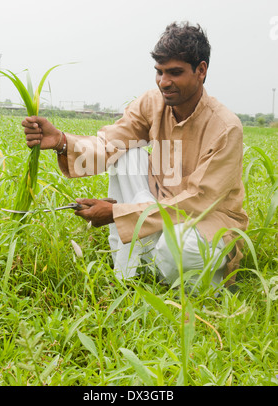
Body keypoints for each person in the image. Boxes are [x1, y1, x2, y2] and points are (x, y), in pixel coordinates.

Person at [22, 22, 248, 287]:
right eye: (159, 72)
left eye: (174, 72)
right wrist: (61, 141)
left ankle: (197, 282)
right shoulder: (152, 103)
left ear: (201, 70)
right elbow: (110, 143)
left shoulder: (225, 127)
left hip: (207, 220)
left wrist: (118, 213)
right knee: (127, 155)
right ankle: (128, 272)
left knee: (178, 247)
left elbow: (198, 202)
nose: (164, 82)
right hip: (160, 205)